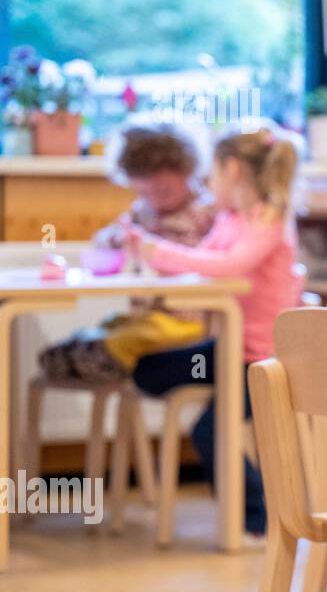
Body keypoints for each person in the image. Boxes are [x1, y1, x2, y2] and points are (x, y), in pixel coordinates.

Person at [127, 127, 303, 537]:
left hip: (262, 358)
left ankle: (260, 517)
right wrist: (151, 252)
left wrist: (160, 252)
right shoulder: (231, 219)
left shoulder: (269, 220)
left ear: (233, 170)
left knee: (209, 430)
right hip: (228, 350)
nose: (207, 183)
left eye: (212, 173)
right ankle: (253, 511)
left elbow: (230, 267)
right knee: (146, 370)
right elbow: (203, 260)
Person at [39, 125, 215, 383]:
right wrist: (115, 239)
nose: (155, 200)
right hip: (147, 315)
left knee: (133, 337)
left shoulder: (206, 212)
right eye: (144, 192)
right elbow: (103, 240)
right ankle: (80, 351)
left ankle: (93, 357)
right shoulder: (142, 212)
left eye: (163, 191)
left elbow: (215, 262)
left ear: (188, 171)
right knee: (114, 324)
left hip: (188, 321)